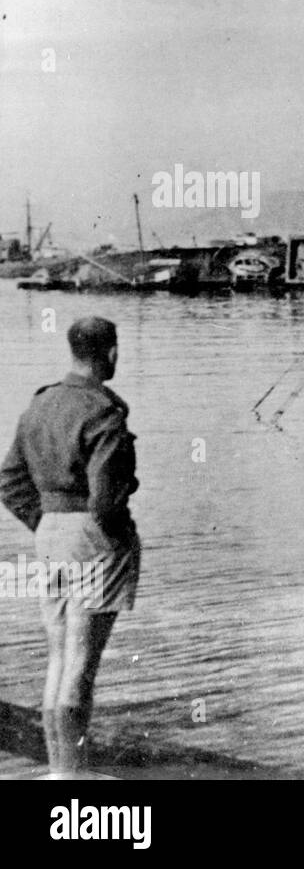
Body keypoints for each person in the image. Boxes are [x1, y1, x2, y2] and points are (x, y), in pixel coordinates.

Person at [0, 316, 141, 777]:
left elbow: (10, 481)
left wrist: (44, 521)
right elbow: (106, 499)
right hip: (93, 538)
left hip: (50, 535)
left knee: (59, 658)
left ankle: (60, 772)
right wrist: (115, 535)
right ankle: (75, 778)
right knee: (82, 663)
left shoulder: (39, 405)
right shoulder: (103, 412)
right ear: (112, 353)